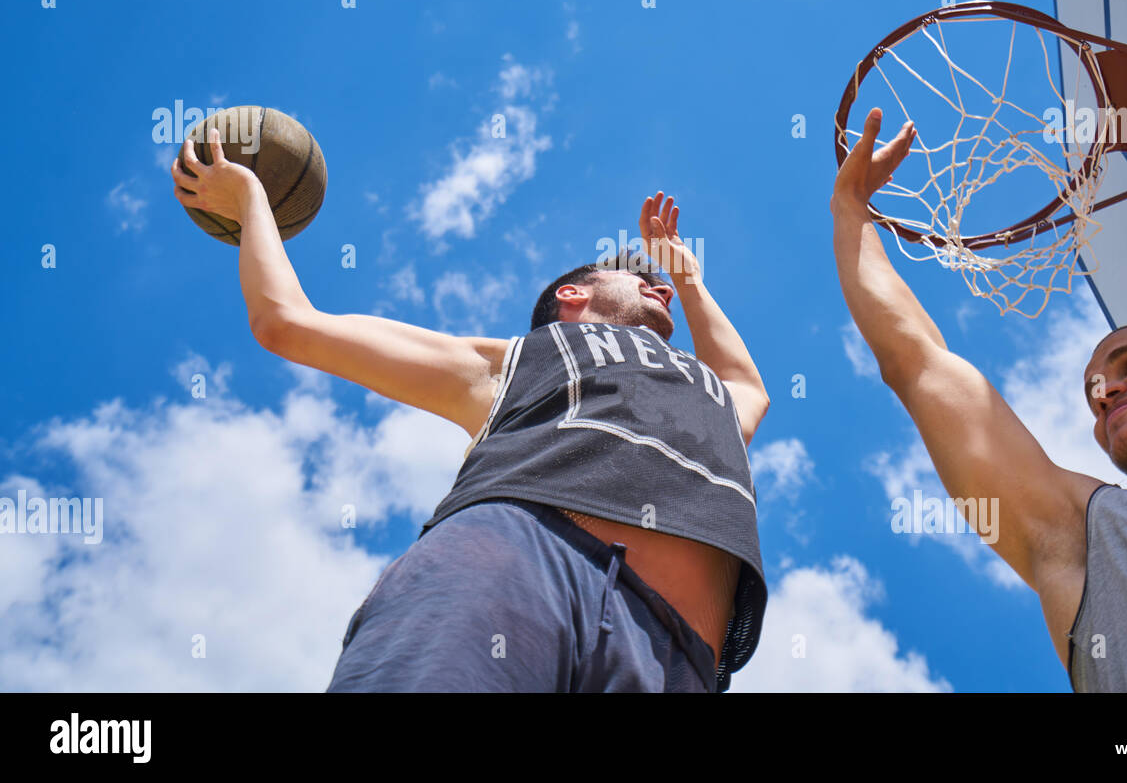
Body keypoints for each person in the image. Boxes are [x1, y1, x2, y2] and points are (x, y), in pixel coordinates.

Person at [171, 128, 768, 692]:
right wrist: (252, 200)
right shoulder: (515, 360)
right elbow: (290, 323)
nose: (657, 284)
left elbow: (750, 388)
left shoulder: (706, 391)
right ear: (572, 294)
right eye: (635, 276)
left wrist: (688, 278)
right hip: (518, 565)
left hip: (675, 656)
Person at [831, 107, 1127, 691]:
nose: (1104, 393)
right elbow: (917, 363)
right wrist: (850, 213)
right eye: (1092, 393)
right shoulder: (1088, 536)